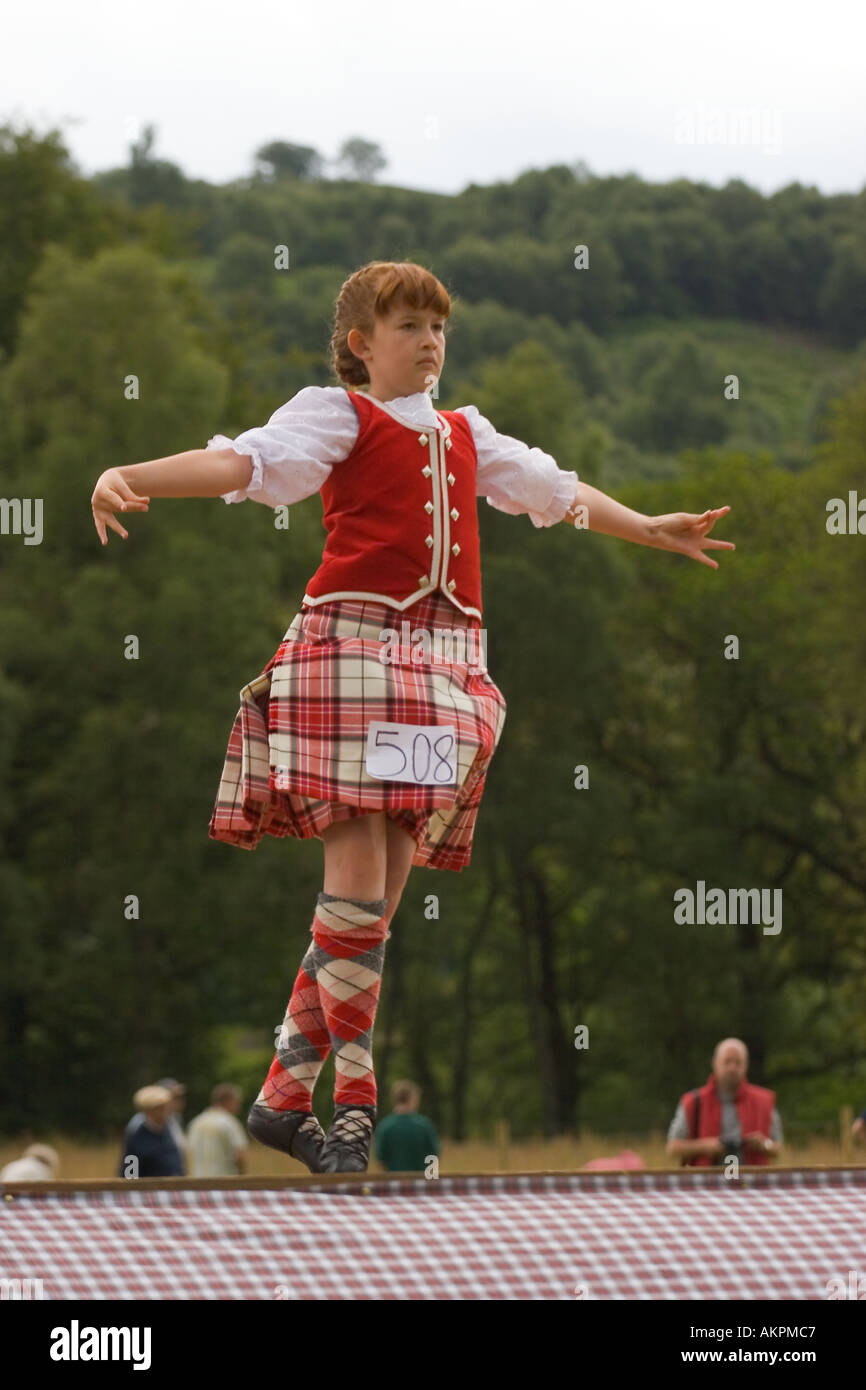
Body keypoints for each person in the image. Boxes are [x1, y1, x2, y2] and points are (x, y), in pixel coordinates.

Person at [92, 260, 734, 1175]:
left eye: (438, 327)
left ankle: (280, 1097)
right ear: (362, 344)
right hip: (353, 653)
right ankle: (353, 1102)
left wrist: (649, 528)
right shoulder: (335, 415)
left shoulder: (469, 433)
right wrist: (131, 472)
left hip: (439, 674)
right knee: (354, 889)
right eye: (407, 326)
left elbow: (556, 493)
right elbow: (244, 463)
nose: (429, 341)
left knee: (372, 912)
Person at [666, 1038, 783, 1167]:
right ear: (715, 1063)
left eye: (738, 1063)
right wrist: (704, 1146)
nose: (732, 1068)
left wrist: (763, 1145)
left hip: (751, 1183)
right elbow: (672, 1148)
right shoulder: (693, 1102)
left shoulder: (764, 1102)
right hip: (706, 1182)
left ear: (746, 1065)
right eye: (727, 1062)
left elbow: (777, 1148)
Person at [119, 1085, 185, 1178]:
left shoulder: (171, 1131)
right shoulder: (136, 1138)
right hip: (149, 1191)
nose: (167, 1111)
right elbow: (130, 1175)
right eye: (162, 1107)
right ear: (150, 1110)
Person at [374, 1080, 440, 1173]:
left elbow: (380, 1158)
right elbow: (434, 1155)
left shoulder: (385, 1126)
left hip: (394, 1181)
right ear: (412, 1099)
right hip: (420, 1180)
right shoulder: (424, 1125)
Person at [186, 1084, 249, 1176]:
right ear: (228, 1101)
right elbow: (240, 1155)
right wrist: (242, 1178)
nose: (239, 1106)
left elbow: (188, 1155)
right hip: (224, 1185)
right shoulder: (229, 1122)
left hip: (198, 1185)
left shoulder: (195, 1122)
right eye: (237, 1102)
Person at [130, 1076, 187, 1159]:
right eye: (175, 1097)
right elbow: (131, 1161)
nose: (180, 1100)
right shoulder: (139, 1123)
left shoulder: (174, 1119)